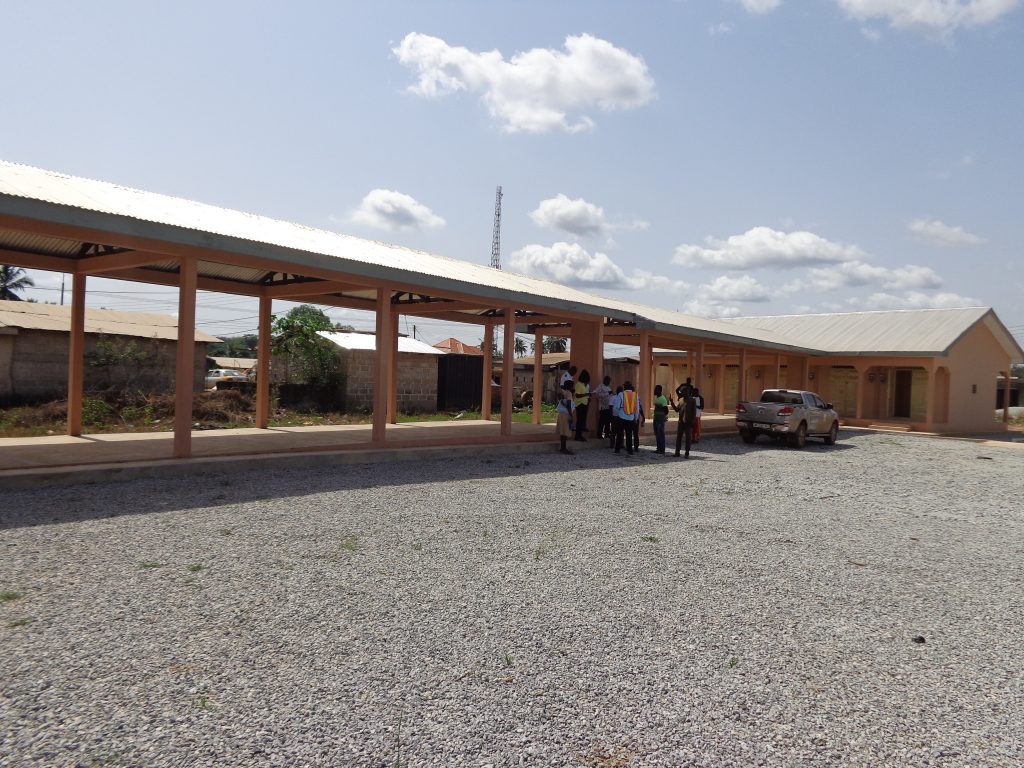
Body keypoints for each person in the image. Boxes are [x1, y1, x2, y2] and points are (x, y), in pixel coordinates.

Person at [615, 381, 641, 455]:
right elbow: (637, 408)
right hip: (631, 417)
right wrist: (636, 418)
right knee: (629, 434)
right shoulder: (635, 395)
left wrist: (617, 414)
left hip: (621, 417)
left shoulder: (621, 394)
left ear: (624, 387)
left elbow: (616, 406)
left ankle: (617, 449)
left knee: (619, 434)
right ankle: (630, 450)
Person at [671, 391, 697, 458]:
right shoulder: (681, 400)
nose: (682, 393)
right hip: (681, 422)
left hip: (688, 423)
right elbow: (677, 409)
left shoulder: (692, 400)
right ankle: (677, 452)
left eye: (684, 392)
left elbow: (694, 412)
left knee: (688, 438)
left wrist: (693, 422)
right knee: (679, 438)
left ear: (687, 392)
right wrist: (672, 402)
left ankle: (687, 453)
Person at [555, 381, 575, 455]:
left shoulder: (563, 392)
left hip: (561, 414)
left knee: (562, 431)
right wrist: (571, 415)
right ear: (570, 386)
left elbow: (561, 400)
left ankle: (562, 448)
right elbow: (569, 405)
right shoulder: (569, 393)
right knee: (565, 431)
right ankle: (564, 448)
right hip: (566, 414)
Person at [592, 375, 613, 440]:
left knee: (608, 422)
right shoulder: (600, 386)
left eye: (609, 381)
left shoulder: (609, 388)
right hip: (603, 407)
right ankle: (599, 435)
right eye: (607, 380)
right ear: (605, 380)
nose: (608, 382)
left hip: (608, 407)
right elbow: (597, 394)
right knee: (601, 422)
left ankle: (607, 434)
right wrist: (607, 393)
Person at [573, 369, 591, 441]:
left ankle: (579, 435)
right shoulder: (578, 384)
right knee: (580, 421)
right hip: (580, 404)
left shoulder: (583, 385)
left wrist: (588, 396)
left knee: (582, 420)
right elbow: (577, 395)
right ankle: (578, 436)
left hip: (584, 404)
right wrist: (586, 394)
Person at [652, 384, 669, 454]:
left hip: (660, 420)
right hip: (656, 418)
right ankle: (659, 448)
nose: (654, 391)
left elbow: (666, 410)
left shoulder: (663, 399)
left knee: (661, 434)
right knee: (657, 434)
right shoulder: (657, 398)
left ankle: (662, 449)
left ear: (659, 391)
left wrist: (663, 417)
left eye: (655, 390)